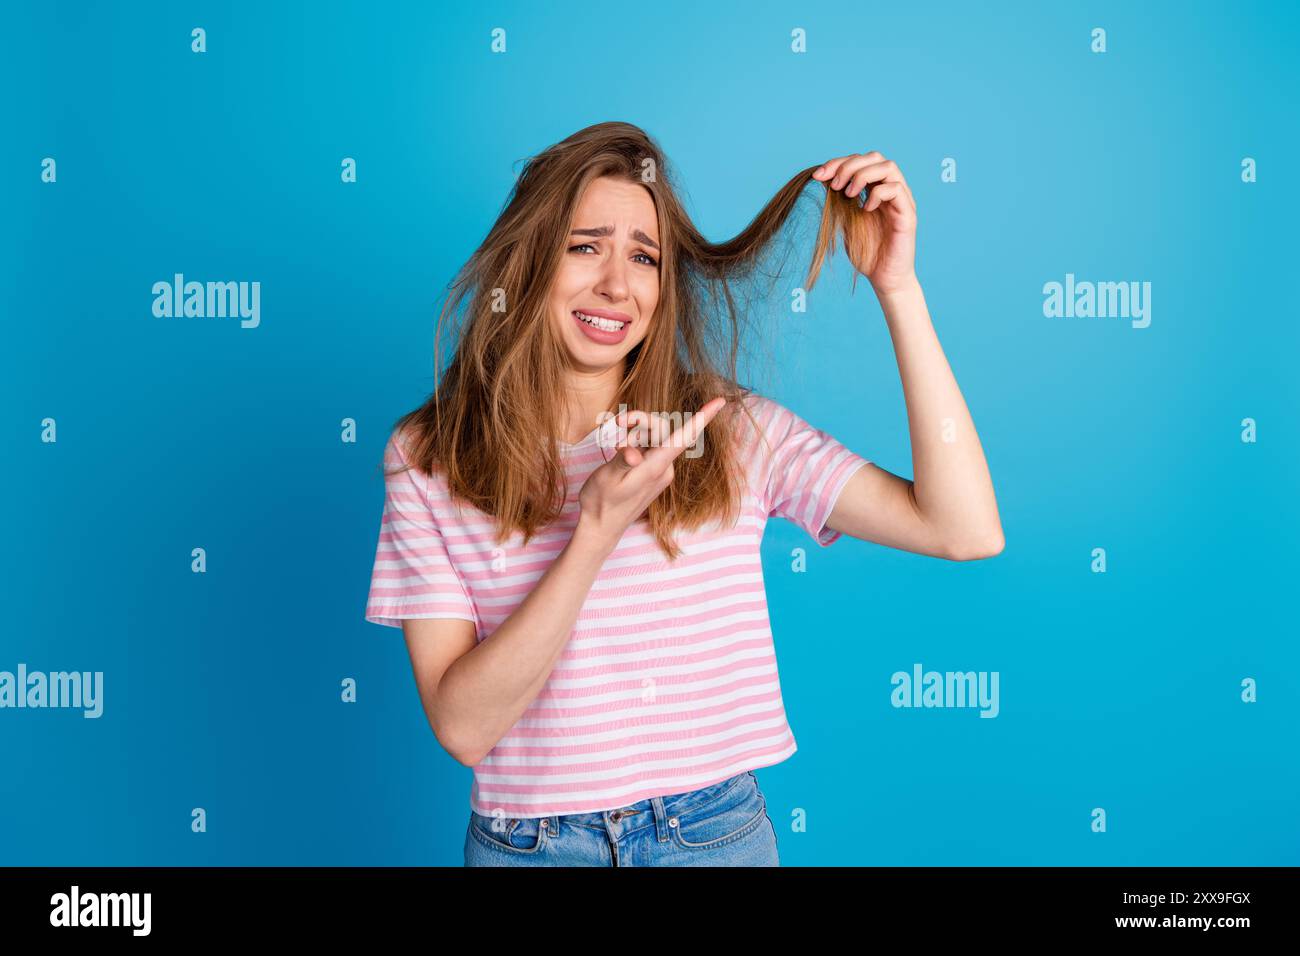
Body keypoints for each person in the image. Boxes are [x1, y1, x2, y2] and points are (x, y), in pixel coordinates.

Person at [364, 121, 1003, 866]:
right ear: (527, 258)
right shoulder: (428, 457)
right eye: (584, 246)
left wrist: (898, 288)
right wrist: (595, 533)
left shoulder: (728, 432)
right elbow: (464, 727)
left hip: (712, 838)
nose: (616, 283)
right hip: (528, 847)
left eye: (644, 256)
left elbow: (964, 529)